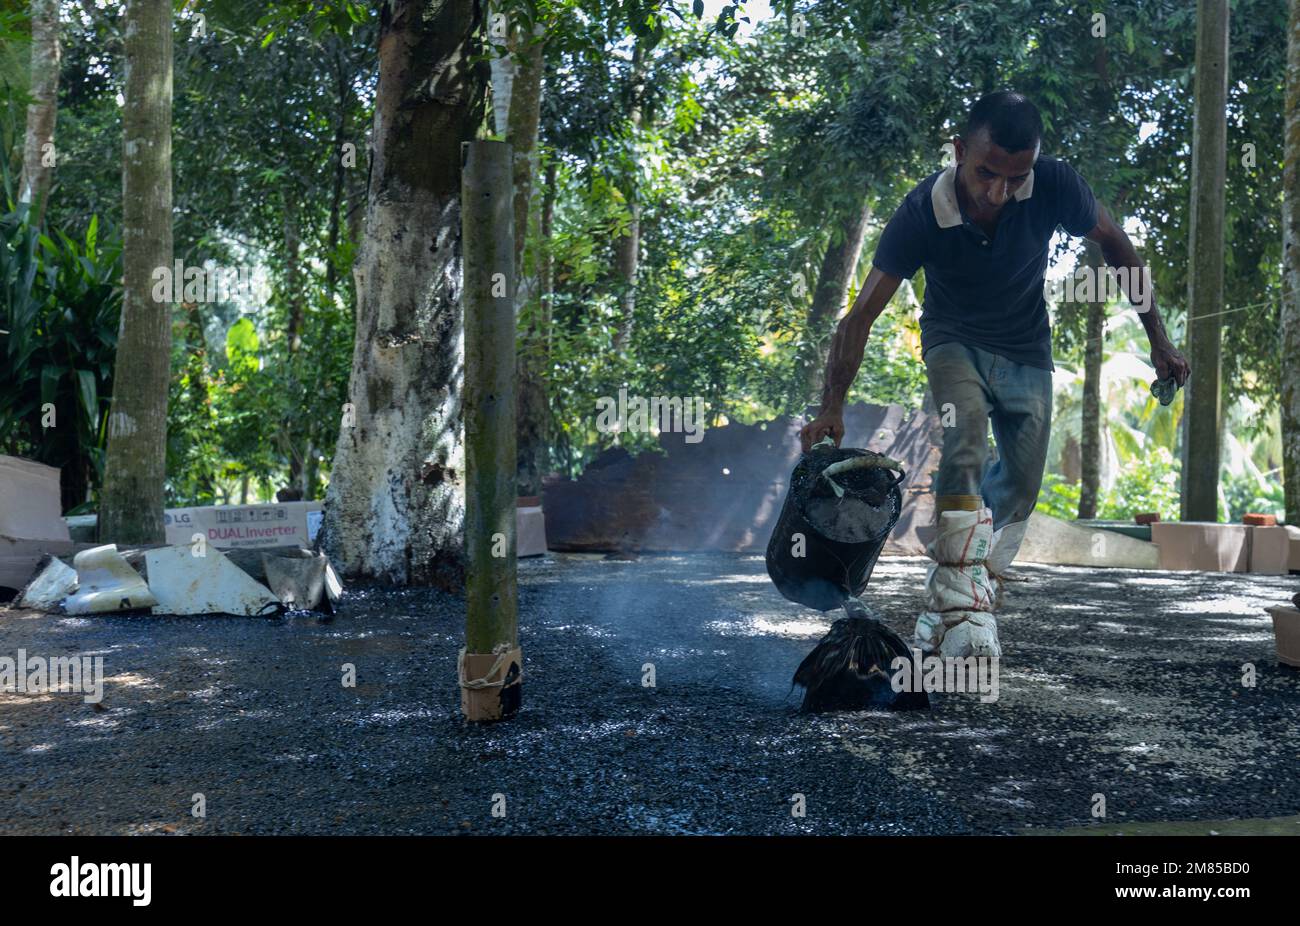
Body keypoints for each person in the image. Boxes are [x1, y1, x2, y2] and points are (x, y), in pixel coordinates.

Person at [799, 91, 1190, 656]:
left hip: (1027, 346)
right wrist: (831, 404)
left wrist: (1159, 337)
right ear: (959, 151)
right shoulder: (920, 213)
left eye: (1015, 177)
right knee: (966, 439)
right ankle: (957, 602)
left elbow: (1116, 244)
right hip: (952, 338)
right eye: (986, 173)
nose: (998, 192)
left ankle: (954, 587)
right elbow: (861, 315)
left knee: (1024, 483)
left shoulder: (1057, 184)